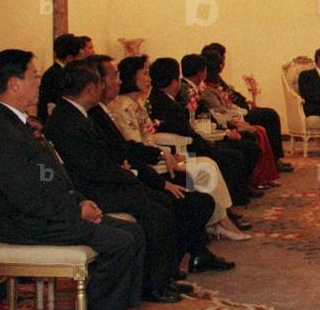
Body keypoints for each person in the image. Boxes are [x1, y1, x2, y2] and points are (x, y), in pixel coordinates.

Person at [0, 49, 140, 310]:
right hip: (27, 224)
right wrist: (76, 210)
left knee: (132, 232)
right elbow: (24, 197)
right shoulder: (1, 133)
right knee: (121, 242)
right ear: (14, 83)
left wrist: (80, 200)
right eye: (34, 75)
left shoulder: (19, 125)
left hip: (47, 213)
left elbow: (50, 177)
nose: (40, 81)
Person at [44, 63, 230, 302]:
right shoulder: (68, 120)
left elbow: (111, 155)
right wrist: (132, 174)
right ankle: (153, 283)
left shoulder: (82, 115)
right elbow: (91, 166)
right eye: (107, 80)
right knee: (160, 210)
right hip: (94, 190)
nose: (111, 84)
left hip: (109, 181)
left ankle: (161, 276)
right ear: (90, 88)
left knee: (175, 202)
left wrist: (134, 171)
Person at [108, 55, 253, 237]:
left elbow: (149, 137)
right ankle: (217, 222)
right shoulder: (124, 106)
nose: (149, 79)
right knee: (206, 168)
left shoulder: (136, 103)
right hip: (147, 162)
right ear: (131, 77)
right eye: (145, 74)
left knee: (208, 164)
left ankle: (219, 220)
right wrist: (164, 154)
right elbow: (135, 144)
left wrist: (167, 153)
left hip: (158, 154)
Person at [148, 58, 261, 207]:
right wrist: (213, 145)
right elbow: (188, 133)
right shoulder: (166, 103)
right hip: (185, 150)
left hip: (193, 141)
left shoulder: (163, 99)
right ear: (173, 80)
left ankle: (236, 197)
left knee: (240, 147)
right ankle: (233, 201)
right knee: (233, 156)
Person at [200, 43, 292, 172]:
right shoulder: (208, 81)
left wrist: (247, 103)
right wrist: (244, 108)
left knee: (270, 114)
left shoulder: (217, 78)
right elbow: (223, 105)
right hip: (234, 114)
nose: (224, 63)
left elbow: (234, 95)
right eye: (222, 59)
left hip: (239, 109)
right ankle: (273, 162)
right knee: (268, 115)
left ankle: (275, 159)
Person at [193, 53, 280, 189]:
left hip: (230, 118)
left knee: (264, 122)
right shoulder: (202, 90)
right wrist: (231, 127)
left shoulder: (215, 83)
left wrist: (242, 110)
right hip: (221, 125)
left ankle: (267, 171)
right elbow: (218, 112)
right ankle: (252, 181)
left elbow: (231, 100)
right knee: (254, 134)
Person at [38, 33, 83, 122]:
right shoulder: (55, 75)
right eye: (79, 56)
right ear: (70, 58)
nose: (81, 60)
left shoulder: (61, 72)